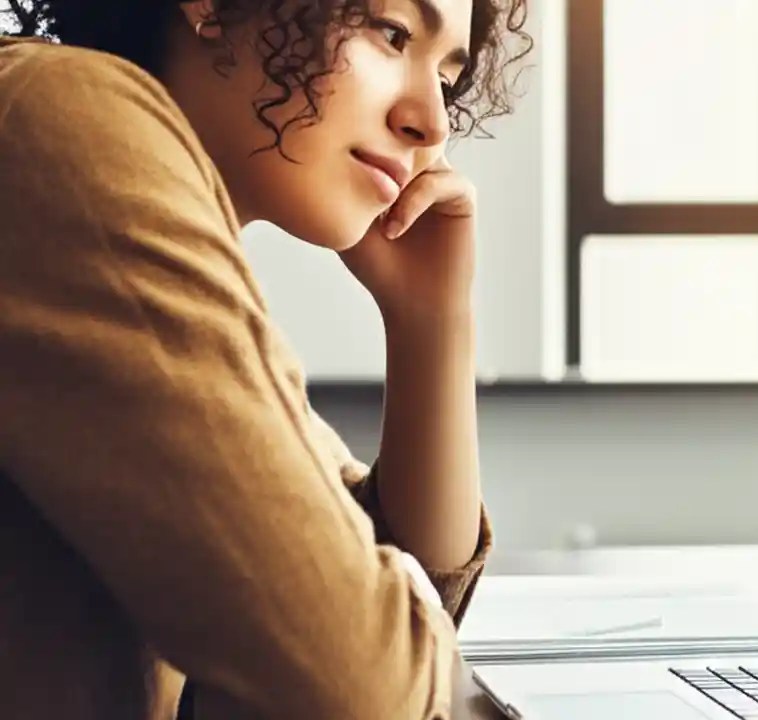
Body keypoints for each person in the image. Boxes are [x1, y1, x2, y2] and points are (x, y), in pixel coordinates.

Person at [0, 0, 528, 717]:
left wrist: (432, 323)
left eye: (446, 78)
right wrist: (381, 623)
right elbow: (357, 679)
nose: (432, 123)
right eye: (392, 34)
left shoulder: (161, 235)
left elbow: (391, 605)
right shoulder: (61, 118)